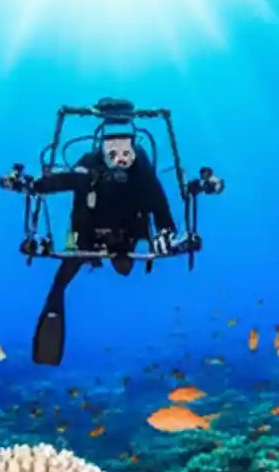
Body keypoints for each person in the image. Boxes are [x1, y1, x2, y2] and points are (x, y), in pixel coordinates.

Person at [24, 131, 180, 365]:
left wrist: (166, 232)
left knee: (124, 268)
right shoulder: (89, 163)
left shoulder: (141, 170)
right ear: (103, 152)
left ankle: (110, 255)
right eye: (114, 154)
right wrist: (38, 185)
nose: (121, 160)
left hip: (126, 233)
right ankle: (52, 316)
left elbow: (159, 204)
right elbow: (67, 179)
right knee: (62, 279)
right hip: (88, 233)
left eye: (127, 154)